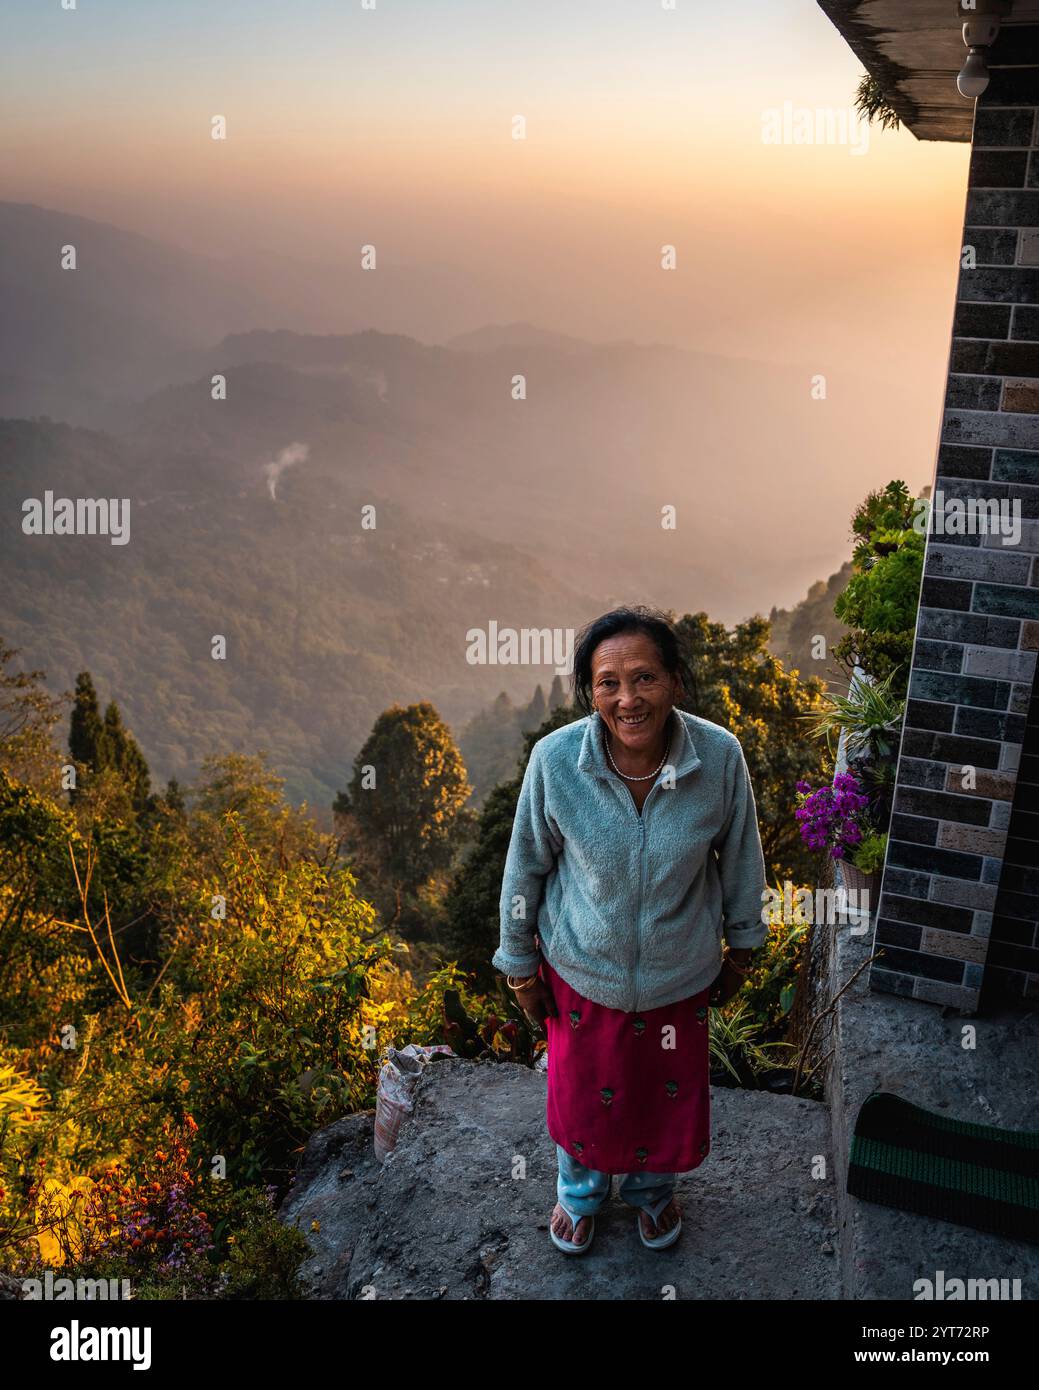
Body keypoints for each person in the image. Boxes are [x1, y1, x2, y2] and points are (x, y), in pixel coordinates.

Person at [492, 606, 767, 1253]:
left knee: (659, 1095)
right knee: (583, 1095)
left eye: (643, 678)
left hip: (678, 970)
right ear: (589, 691)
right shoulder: (556, 762)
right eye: (607, 682)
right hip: (582, 966)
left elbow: (742, 858)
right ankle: (579, 1194)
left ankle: (650, 1193)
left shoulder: (718, 758)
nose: (626, 698)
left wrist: (744, 947)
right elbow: (524, 865)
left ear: (675, 680)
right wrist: (518, 965)